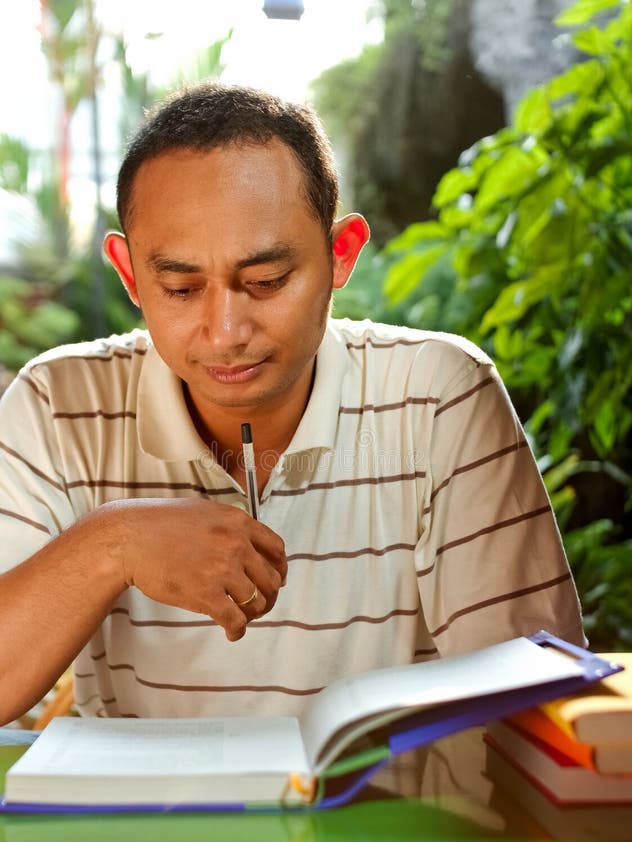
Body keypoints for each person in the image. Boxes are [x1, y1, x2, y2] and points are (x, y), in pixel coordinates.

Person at [0, 83, 584, 726]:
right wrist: (113, 543)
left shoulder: (437, 395)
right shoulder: (57, 405)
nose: (225, 331)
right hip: (141, 825)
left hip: (380, 825)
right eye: (180, 286)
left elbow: (538, 700)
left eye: (266, 282)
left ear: (341, 254)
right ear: (130, 273)